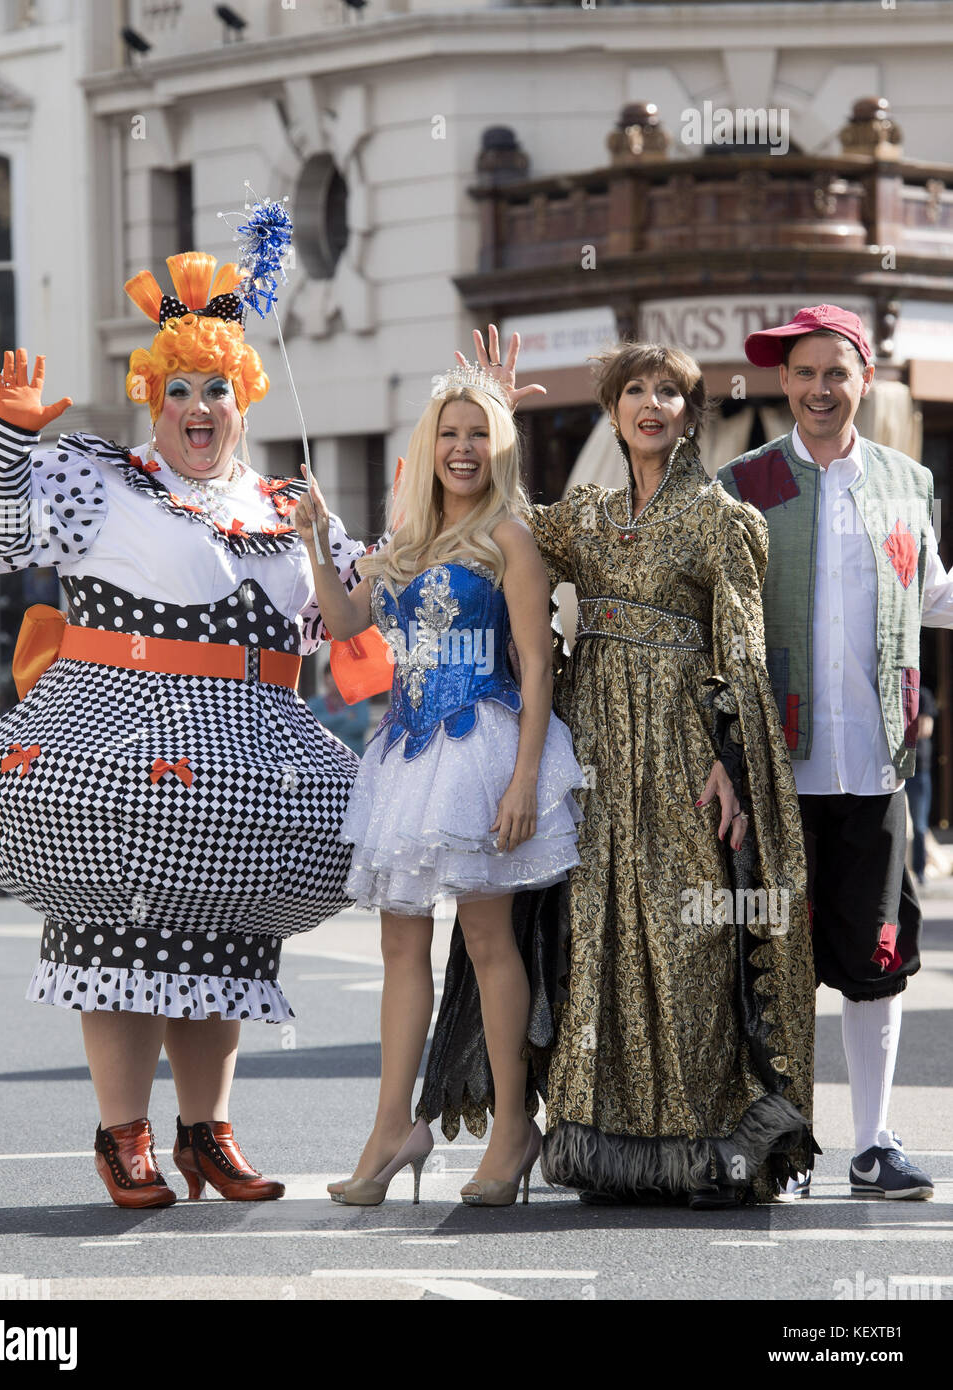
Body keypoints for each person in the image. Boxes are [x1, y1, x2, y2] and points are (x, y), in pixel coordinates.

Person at [0, 253, 365, 1208]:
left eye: (217, 387)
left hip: (255, 759)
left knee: (224, 950)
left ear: (245, 397)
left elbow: (365, 602)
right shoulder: (102, 479)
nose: (198, 406)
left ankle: (207, 1134)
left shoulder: (291, 509)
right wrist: (9, 433)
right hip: (118, 745)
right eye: (177, 390)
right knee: (119, 945)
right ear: (150, 400)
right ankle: (122, 1135)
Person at [493, 328, 816, 1207]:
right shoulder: (586, 516)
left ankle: (713, 1147)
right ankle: (607, 1149)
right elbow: (498, 521)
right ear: (611, 410)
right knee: (596, 939)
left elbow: (742, 655)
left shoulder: (722, 521)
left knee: (690, 938)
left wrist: (732, 767)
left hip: (680, 751)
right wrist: (490, 411)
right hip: (590, 749)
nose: (650, 405)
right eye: (634, 391)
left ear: (686, 416)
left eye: (667, 394)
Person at [293, 366, 584, 1207]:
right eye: (450, 434)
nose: (463, 449)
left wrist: (525, 779)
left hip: (484, 751)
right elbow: (343, 625)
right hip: (407, 753)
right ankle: (393, 1127)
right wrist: (315, 540)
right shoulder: (402, 547)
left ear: (498, 450)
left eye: (478, 435)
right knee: (398, 946)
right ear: (429, 447)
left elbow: (536, 670)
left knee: (489, 942)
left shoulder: (510, 540)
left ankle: (511, 1129)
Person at [719, 303, 953, 1200]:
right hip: (775, 765)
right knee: (772, 957)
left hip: (875, 763)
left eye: (836, 373)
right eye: (804, 373)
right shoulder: (743, 484)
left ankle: (872, 1143)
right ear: (784, 383)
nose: (820, 389)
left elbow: (929, 595)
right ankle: (783, 1140)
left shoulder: (906, 481)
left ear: (863, 381)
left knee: (874, 960)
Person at [306, 665, 373, 757]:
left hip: (354, 759)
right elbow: (311, 727)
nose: (333, 684)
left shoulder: (358, 700)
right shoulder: (314, 703)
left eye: (336, 680)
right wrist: (343, 716)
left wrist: (328, 732)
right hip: (325, 759)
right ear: (325, 681)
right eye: (330, 681)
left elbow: (361, 725)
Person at [905, 686, 936, 886]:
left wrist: (897, 728)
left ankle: (919, 871)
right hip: (892, 767)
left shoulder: (923, 694)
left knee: (919, 825)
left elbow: (926, 728)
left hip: (918, 767)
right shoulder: (891, 690)